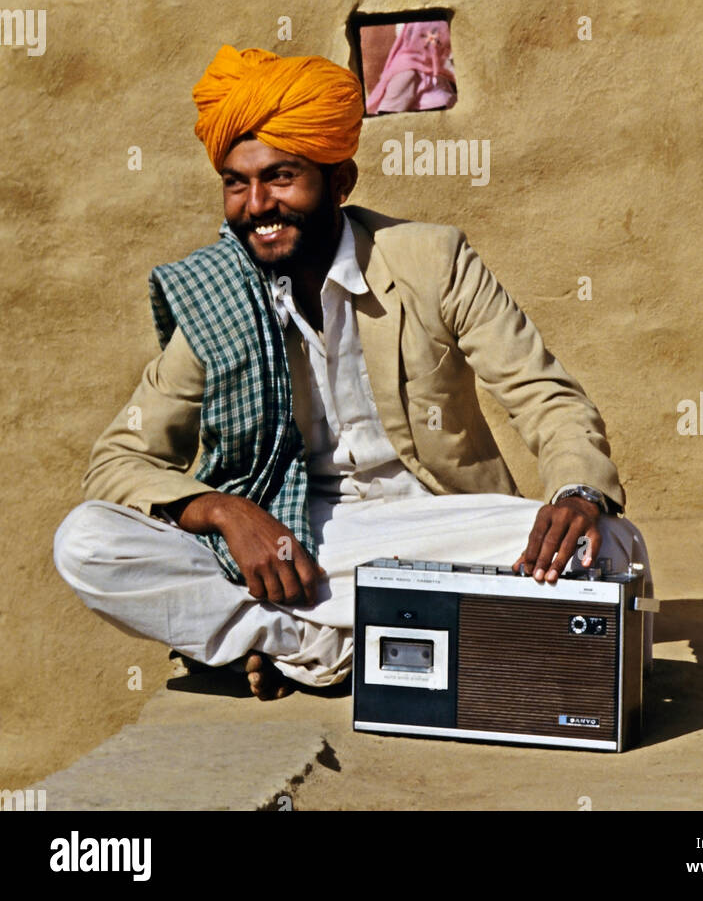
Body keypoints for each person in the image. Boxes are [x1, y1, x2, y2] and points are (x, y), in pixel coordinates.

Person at [54, 45, 653, 702]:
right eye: (236, 182)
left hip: (438, 529)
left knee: (609, 546)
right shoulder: (218, 298)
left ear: (340, 182)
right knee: (87, 541)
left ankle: (311, 640)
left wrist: (579, 493)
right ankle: (308, 645)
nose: (257, 204)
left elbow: (542, 394)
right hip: (295, 546)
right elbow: (117, 462)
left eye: (280, 177)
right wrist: (224, 511)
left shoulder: (430, 260)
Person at [365, 20, 457, 113]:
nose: (446, 49)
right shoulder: (407, 72)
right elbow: (388, 116)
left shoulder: (433, 66)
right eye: (439, 42)